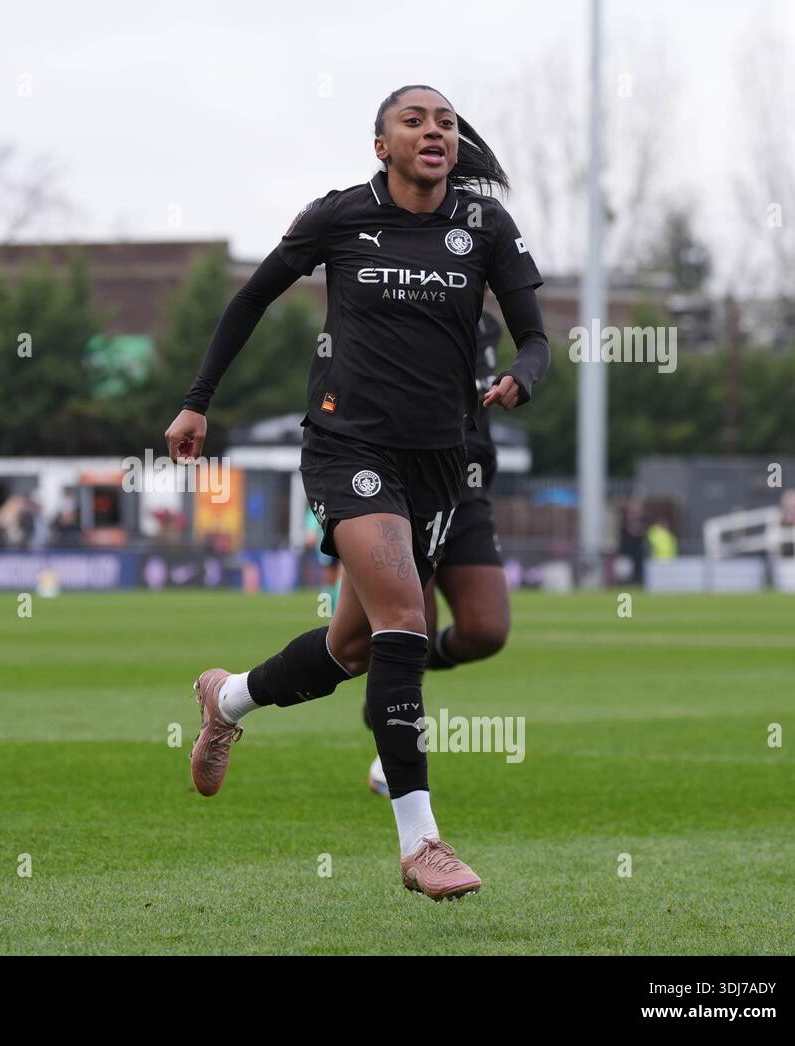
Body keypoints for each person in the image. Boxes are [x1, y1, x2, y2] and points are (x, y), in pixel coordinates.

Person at [166, 85, 550, 900]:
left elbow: (537, 337)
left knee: (355, 649)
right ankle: (422, 843)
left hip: (441, 461)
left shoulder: (485, 228)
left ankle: (226, 699)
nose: (434, 131)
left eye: (445, 121)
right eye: (415, 121)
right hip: (348, 446)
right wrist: (198, 400)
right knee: (408, 619)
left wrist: (523, 374)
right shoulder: (338, 216)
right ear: (382, 145)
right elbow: (250, 299)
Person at [367, 310, 513, 797]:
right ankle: (395, 750)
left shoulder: (488, 325)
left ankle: (388, 687)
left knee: (486, 629)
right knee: (406, 629)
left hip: (468, 490)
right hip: (405, 484)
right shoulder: (399, 301)